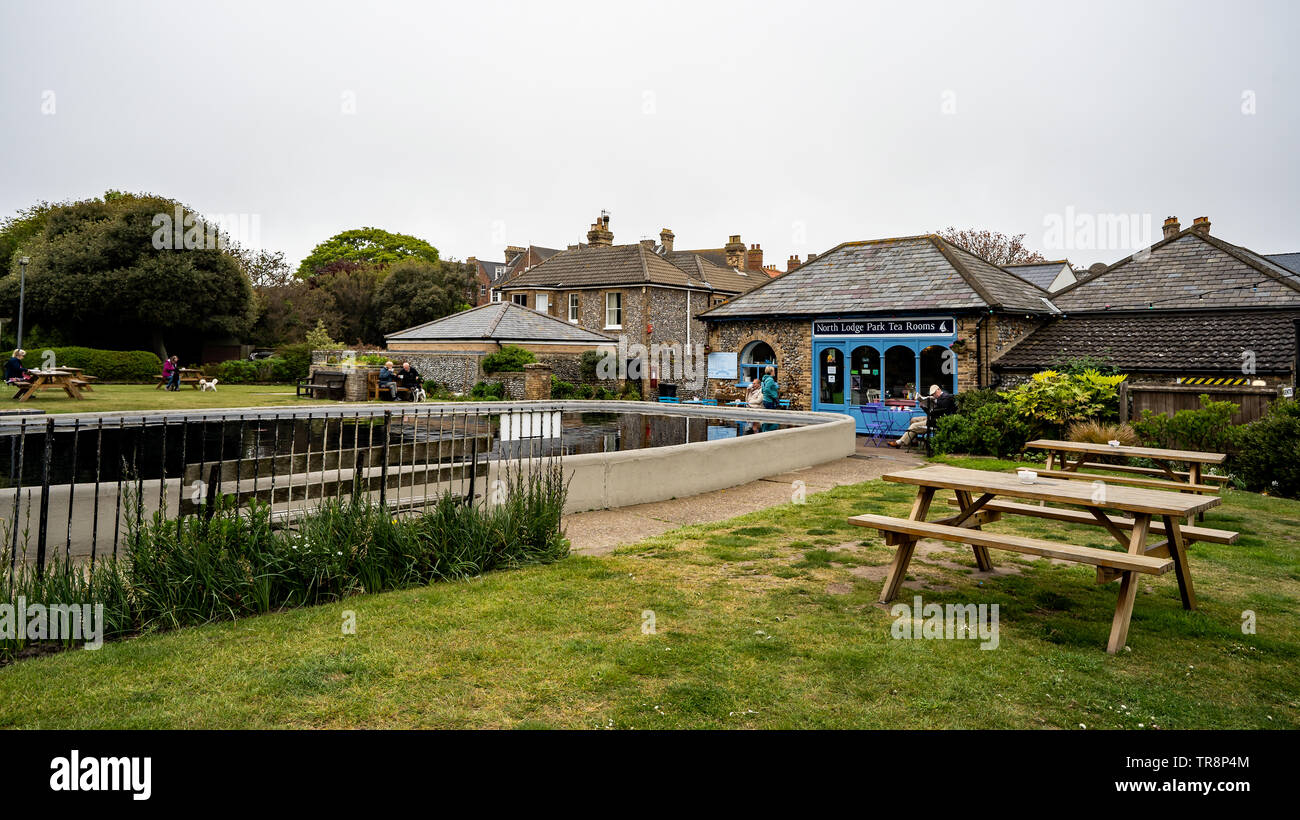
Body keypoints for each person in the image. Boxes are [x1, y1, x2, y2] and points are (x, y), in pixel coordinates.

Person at [889, 384, 956, 448]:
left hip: (936, 420)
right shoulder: (939, 398)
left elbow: (938, 411)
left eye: (934, 393)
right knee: (913, 419)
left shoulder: (945, 397)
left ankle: (900, 442)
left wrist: (933, 402)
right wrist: (924, 406)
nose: (934, 395)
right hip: (932, 417)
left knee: (914, 425)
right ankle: (914, 441)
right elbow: (931, 412)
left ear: (939, 390)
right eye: (932, 394)